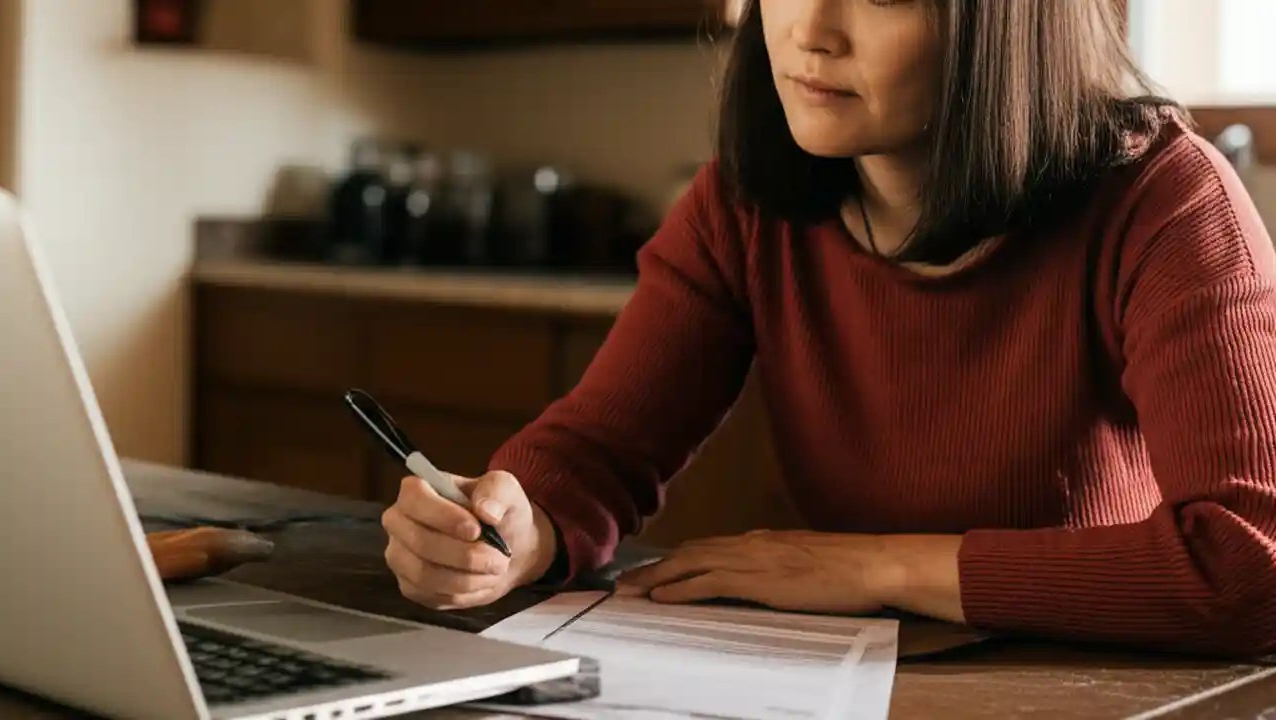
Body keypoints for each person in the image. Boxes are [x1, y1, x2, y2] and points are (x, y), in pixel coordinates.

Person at [380, 0, 1276, 657]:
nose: (810, 28)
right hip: (852, 682)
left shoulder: (1169, 203)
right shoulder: (743, 204)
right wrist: (511, 530)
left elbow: (1251, 564)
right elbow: (598, 452)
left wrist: (875, 568)